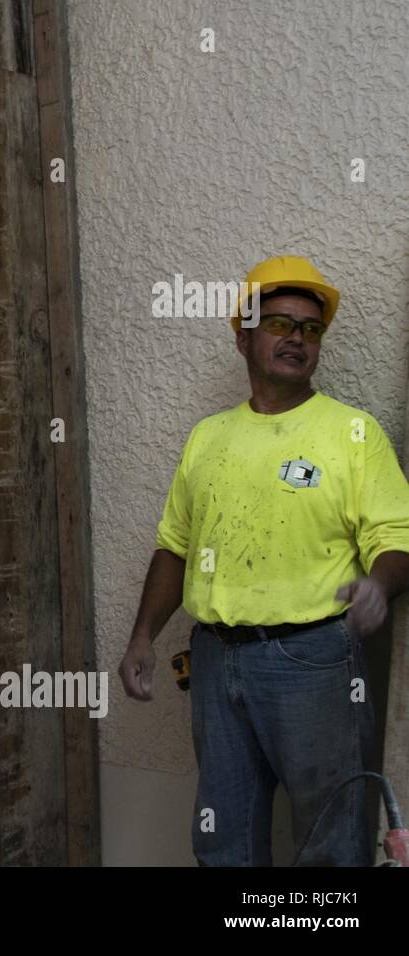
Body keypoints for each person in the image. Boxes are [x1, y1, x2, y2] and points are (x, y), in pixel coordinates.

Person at [119, 255, 409, 865]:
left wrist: (380, 584)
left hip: (316, 659)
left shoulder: (353, 433)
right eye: (280, 324)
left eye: (310, 328)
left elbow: (396, 535)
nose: (297, 339)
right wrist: (143, 635)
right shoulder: (209, 436)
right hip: (216, 657)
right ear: (243, 337)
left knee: (329, 838)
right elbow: (176, 544)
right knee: (224, 837)